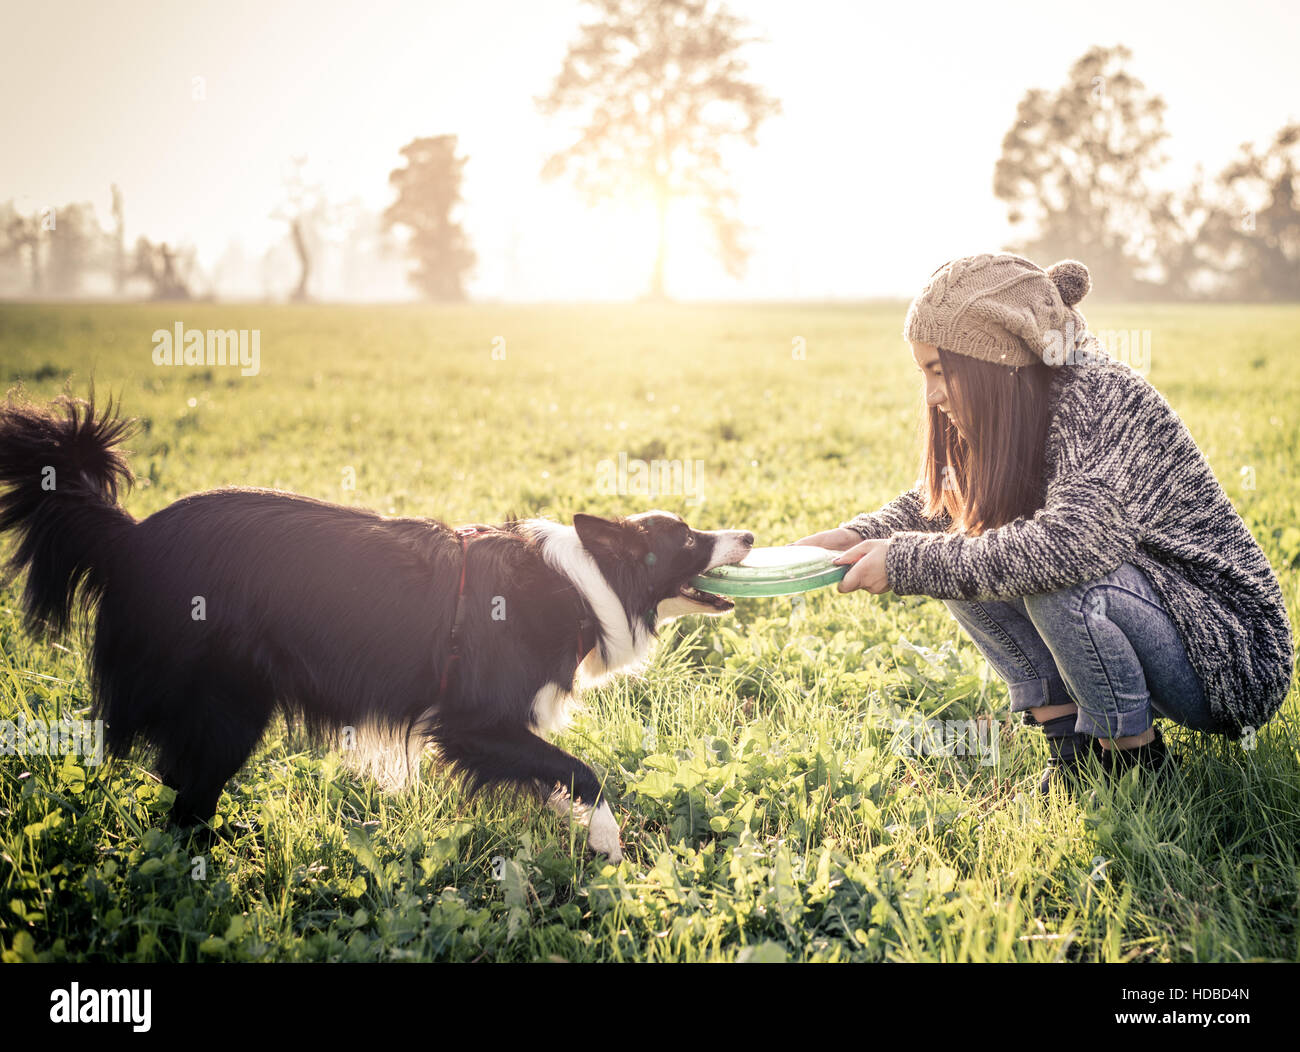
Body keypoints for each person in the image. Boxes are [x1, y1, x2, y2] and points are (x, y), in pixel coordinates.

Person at [794, 252, 1293, 794]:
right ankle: (1072, 757)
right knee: (961, 554)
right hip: (1156, 612)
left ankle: (1138, 770)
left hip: (1227, 651)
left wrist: (910, 561)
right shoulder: (1019, 399)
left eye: (940, 371)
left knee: (1054, 586)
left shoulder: (1103, 399)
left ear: (995, 362)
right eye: (924, 374)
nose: (933, 397)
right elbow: (948, 504)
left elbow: (1070, 548)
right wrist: (864, 536)